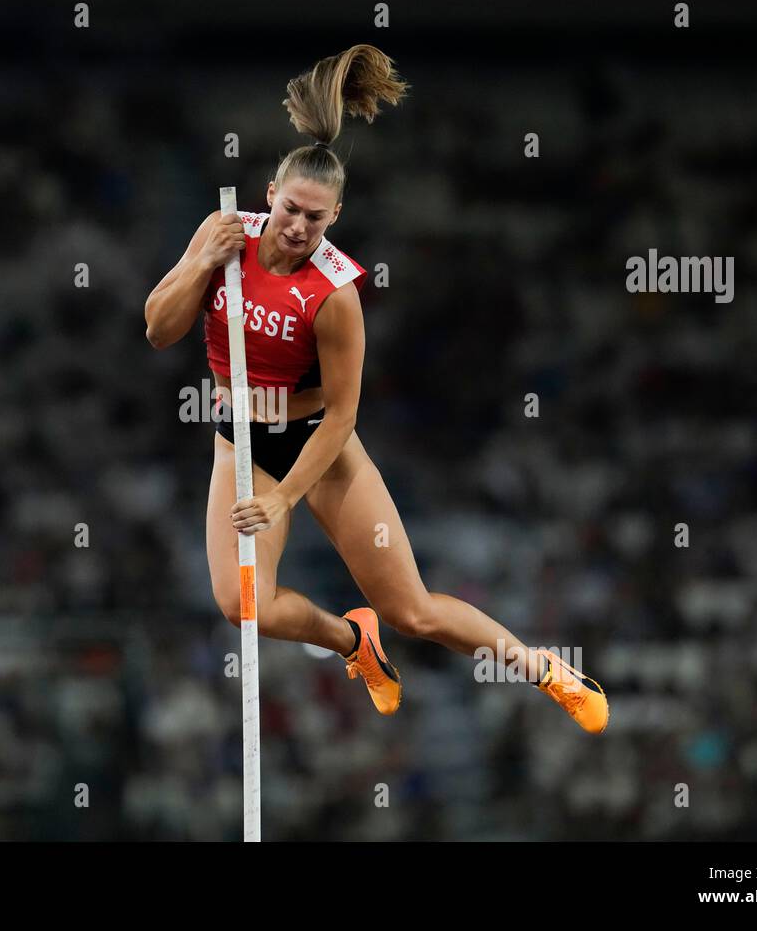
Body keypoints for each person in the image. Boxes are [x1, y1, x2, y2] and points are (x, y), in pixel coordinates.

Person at [144, 44, 607, 732]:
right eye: (293, 209)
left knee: (412, 612)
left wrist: (281, 498)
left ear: (335, 218)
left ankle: (544, 669)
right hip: (240, 437)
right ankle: (352, 642)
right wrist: (200, 266)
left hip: (320, 448)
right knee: (245, 606)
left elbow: (342, 415)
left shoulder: (334, 293)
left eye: (317, 218)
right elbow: (158, 329)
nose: (299, 228)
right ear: (271, 195)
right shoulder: (222, 234)